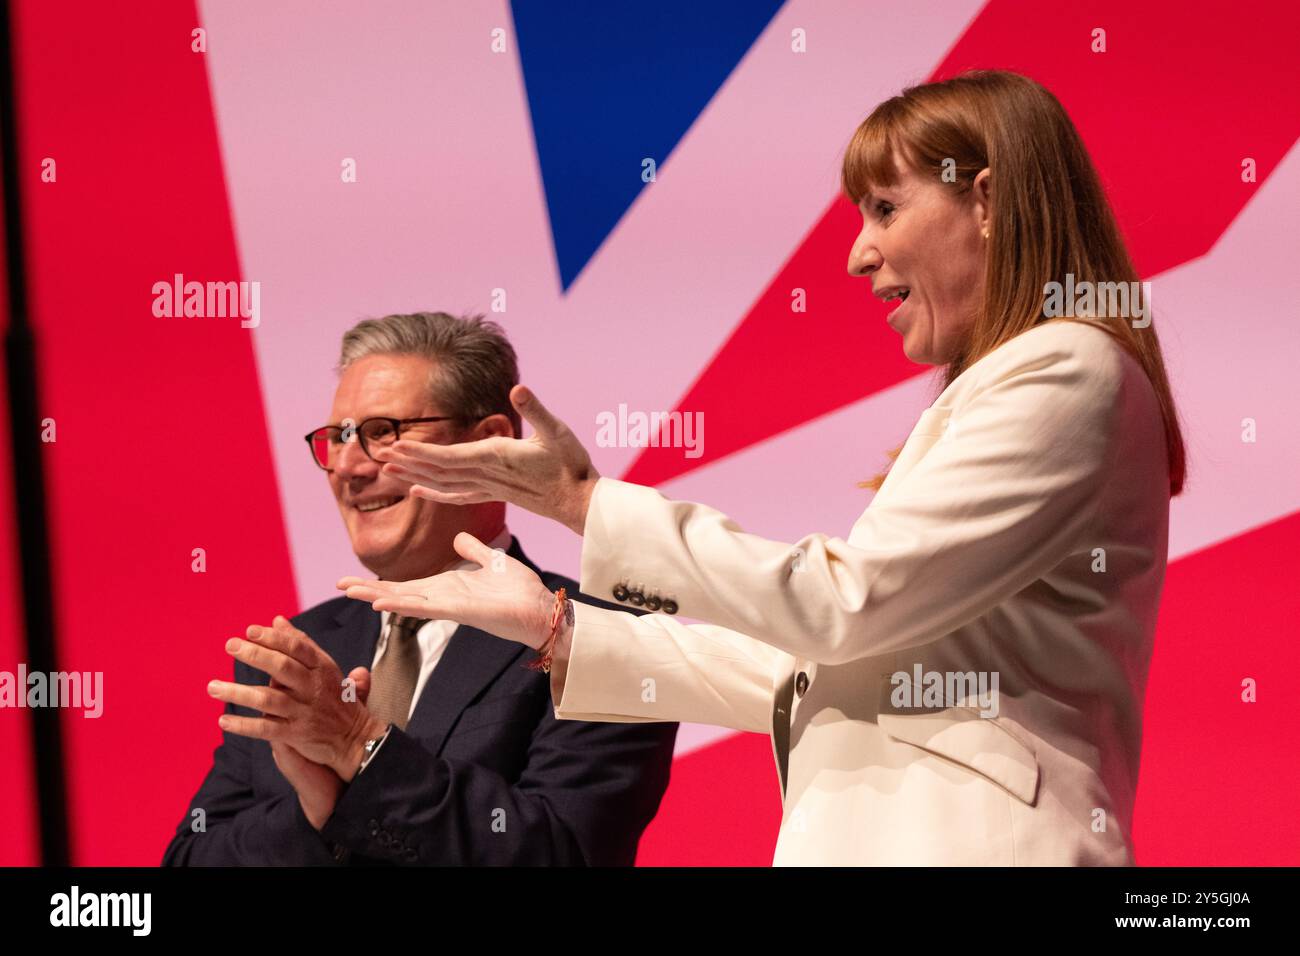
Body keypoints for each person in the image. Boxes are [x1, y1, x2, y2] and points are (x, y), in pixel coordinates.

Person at [338, 71, 1187, 866]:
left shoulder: (1066, 367)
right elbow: (819, 668)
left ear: (990, 201)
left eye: (886, 209)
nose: (859, 254)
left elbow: (839, 605)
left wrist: (583, 502)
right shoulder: (1017, 384)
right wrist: (560, 630)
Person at [163, 311, 677, 866]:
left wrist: (359, 748)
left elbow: (562, 854)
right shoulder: (301, 658)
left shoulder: (599, 638)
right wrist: (314, 813)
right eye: (338, 437)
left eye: (383, 433)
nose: (348, 467)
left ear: (489, 448)